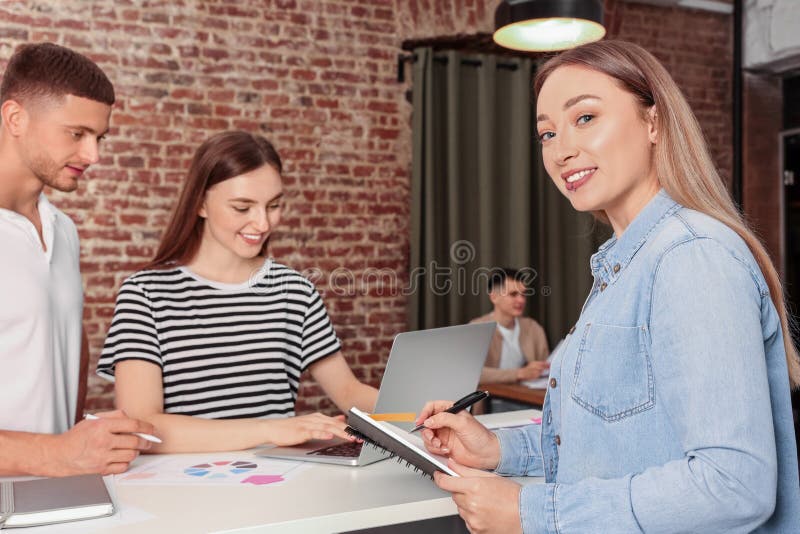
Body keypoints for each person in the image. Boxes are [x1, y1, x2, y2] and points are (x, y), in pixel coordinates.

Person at [416, 40, 800, 533]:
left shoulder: (691, 257)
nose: (561, 150)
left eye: (586, 118)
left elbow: (732, 484)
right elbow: (616, 444)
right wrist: (496, 449)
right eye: (547, 133)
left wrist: (532, 513)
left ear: (654, 122)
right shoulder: (625, 267)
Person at [96, 130, 378, 453]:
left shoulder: (295, 292)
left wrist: (424, 410)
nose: (262, 223)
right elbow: (142, 427)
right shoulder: (145, 295)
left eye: (273, 206)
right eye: (242, 208)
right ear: (200, 203)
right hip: (179, 491)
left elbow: (349, 393)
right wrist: (270, 429)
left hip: (276, 484)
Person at [0, 43, 154, 477]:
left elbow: (69, 344)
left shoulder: (62, 230)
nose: (94, 156)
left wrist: (79, 441)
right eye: (76, 134)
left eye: (99, 137)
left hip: (54, 502)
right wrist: (56, 455)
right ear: (16, 118)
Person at [470, 268, 549, 384]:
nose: (521, 300)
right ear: (494, 297)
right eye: (513, 294)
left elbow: (546, 369)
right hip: (491, 399)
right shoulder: (476, 329)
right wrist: (519, 373)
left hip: (529, 398)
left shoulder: (533, 327)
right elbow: (472, 373)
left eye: (523, 294)